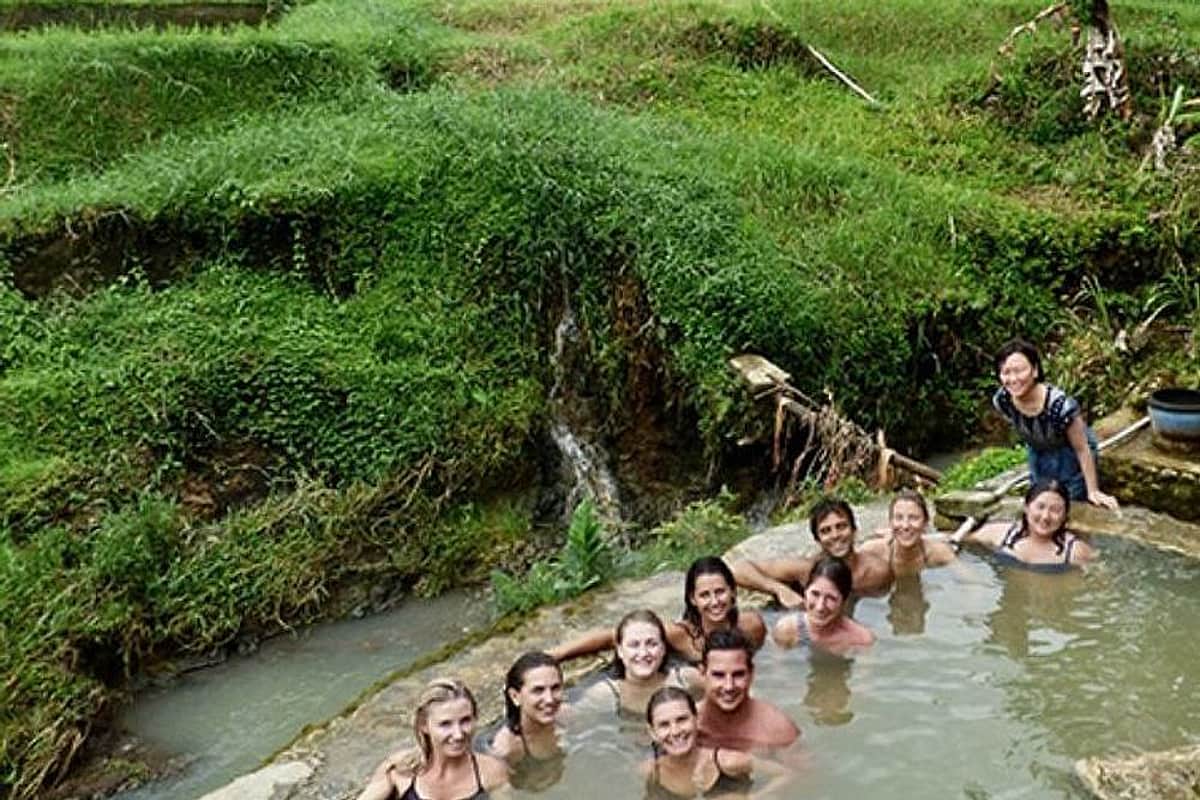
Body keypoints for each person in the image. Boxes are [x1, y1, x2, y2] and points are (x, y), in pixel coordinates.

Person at [550, 557, 765, 665]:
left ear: (733, 591)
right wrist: (556, 655)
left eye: (720, 592)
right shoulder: (680, 634)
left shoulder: (751, 626)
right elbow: (611, 636)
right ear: (692, 599)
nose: (715, 602)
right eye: (705, 595)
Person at [992, 338, 1118, 509]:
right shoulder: (1003, 400)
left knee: (1068, 508)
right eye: (1005, 372)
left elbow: (1082, 448)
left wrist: (1093, 491)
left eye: (1019, 371)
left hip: (1070, 455)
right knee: (1040, 505)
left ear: (1035, 370)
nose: (1013, 379)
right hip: (1038, 454)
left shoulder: (1060, 406)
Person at [356, 678, 509, 800]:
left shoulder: (492, 772)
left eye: (465, 721)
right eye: (445, 724)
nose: (458, 734)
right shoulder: (402, 770)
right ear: (424, 726)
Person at [732, 498, 891, 606]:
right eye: (826, 531)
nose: (835, 535)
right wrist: (780, 590)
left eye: (841, 526)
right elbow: (736, 569)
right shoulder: (806, 569)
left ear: (854, 530)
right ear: (818, 540)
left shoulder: (876, 572)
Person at [642, 686, 788, 798]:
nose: (675, 731)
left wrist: (751, 798)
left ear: (697, 720)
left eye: (682, 719)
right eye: (664, 725)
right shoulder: (652, 771)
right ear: (652, 732)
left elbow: (787, 774)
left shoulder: (727, 761)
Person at [579, 609, 702, 716]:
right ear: (620, 651)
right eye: (634, 645)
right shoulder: (603, 694)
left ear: (663, 648)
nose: (643, 653)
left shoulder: (686, 679)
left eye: (651, 644)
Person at [951, 479, 1096, 570]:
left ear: (1065, 516)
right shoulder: (1000, 534)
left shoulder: (1075, 552)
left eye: (1055, 510)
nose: (1045, 516)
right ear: (1026, 507)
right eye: (1040, 507)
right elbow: (957, 539)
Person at [696, 629, 799, 751]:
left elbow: (799, 770)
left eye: (738, 674)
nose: (729, 686)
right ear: (702, 673)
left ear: (751, 674)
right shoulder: (686, 725)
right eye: (719, 675)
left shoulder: (778, 729)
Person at [489, 652, 565, 791]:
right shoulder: (507, 748)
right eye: (538, 690)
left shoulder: (565, 717)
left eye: (555, 688)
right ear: (515, 696)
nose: (549, 699)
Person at [773, 557, 875, 654]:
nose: (820, 607)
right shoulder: (787, 630)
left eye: (831, 598)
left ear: (844, 601)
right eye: (815, 594)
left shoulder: (861, 640)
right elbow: (778, 668)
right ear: (805, 592)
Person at [859, 489, 957, 579]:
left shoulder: (939, 553)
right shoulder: (872, 552)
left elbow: (969, 582)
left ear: (925, 522)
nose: (905, 526)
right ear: (890, 522)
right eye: (898, 518)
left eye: (914, 518)